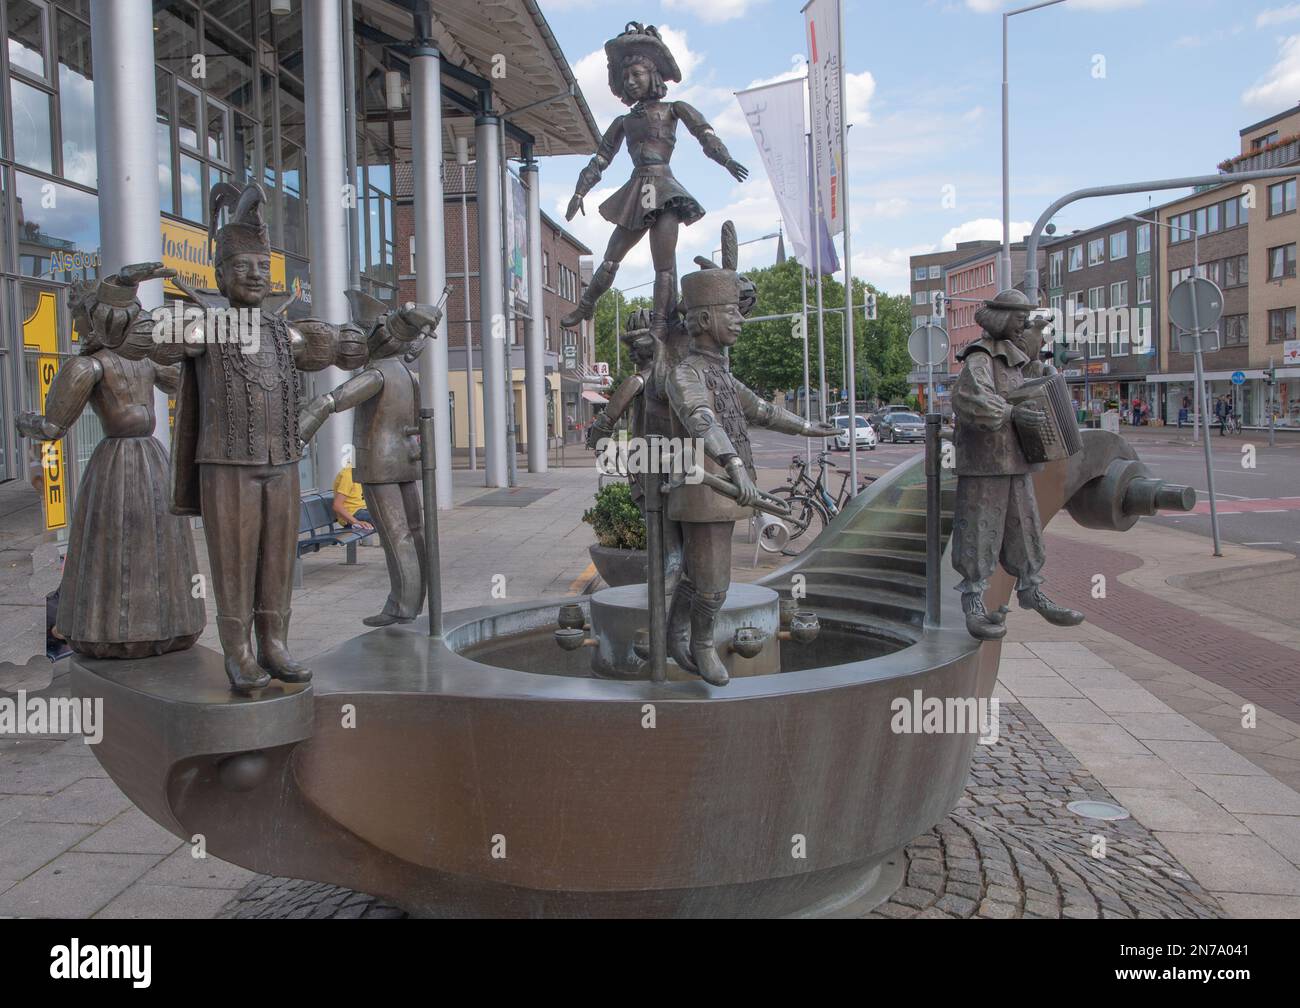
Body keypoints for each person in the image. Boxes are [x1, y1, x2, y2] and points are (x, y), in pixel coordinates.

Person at [665, 232, 838, 685]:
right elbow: (702, 419)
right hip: (703, 489)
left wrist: (806, 427)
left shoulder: (722, 372)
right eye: (730, 314)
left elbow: (760, 409)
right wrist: (735, 464)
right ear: (703, 320)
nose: (741, 322)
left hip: (725, 490)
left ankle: (675, 634)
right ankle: (701, 643)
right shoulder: (687, 372)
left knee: (697, 575)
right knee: (714, 584)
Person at [15, 275, 204, 659]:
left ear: (93, 320)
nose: (76, 328)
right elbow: (188, 383)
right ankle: (168, 625)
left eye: (79, 319)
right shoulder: (144, 362)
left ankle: (117, 630)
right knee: (156, 545)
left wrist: (23, 422)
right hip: (152, 461)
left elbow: (53, 426)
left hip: (117, 465)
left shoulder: (88, 367)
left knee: (115, 548)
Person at [560, 23, 747, 350]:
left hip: (664, 189)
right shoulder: (623, 122)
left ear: (653, 74)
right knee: (611, 257)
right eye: (627, 77)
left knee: (664, 264)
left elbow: (705, 135)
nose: (631, 82)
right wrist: (579, 192)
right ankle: (587, 303)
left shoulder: (675, 110)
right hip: (637, 189)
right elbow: (601, 159)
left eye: (637, 74)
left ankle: (660, 326)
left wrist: (727, 160)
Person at [949, 288, 1084, 640]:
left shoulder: (1018, 357)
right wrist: (1012, 412)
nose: (1024, 326)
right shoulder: (980, 356)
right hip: (985, 463)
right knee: (979, 531)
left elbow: (1026, 389)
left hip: (1017, 459)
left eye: (1026, 320)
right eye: (1020, 319)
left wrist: (1041, 378)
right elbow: (969, 398)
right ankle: (973, 601)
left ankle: (1031, 590)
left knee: (1025, 526)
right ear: (1003, 319)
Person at [301, 293, 441, 626]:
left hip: (380, 464)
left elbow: (332, 401)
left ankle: (401, 605)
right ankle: (413, 602)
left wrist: (300, 431)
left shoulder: (377, 373)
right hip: (406, 460)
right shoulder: (408, 375)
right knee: (415, 531)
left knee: (397, 535)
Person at [332, 465, 373, 530]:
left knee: (387, 516)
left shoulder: (363, 472)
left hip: (363, 510)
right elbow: (337, 506)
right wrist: (356, 522)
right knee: (384, 519)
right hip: (352, 514)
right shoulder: (348, 475)